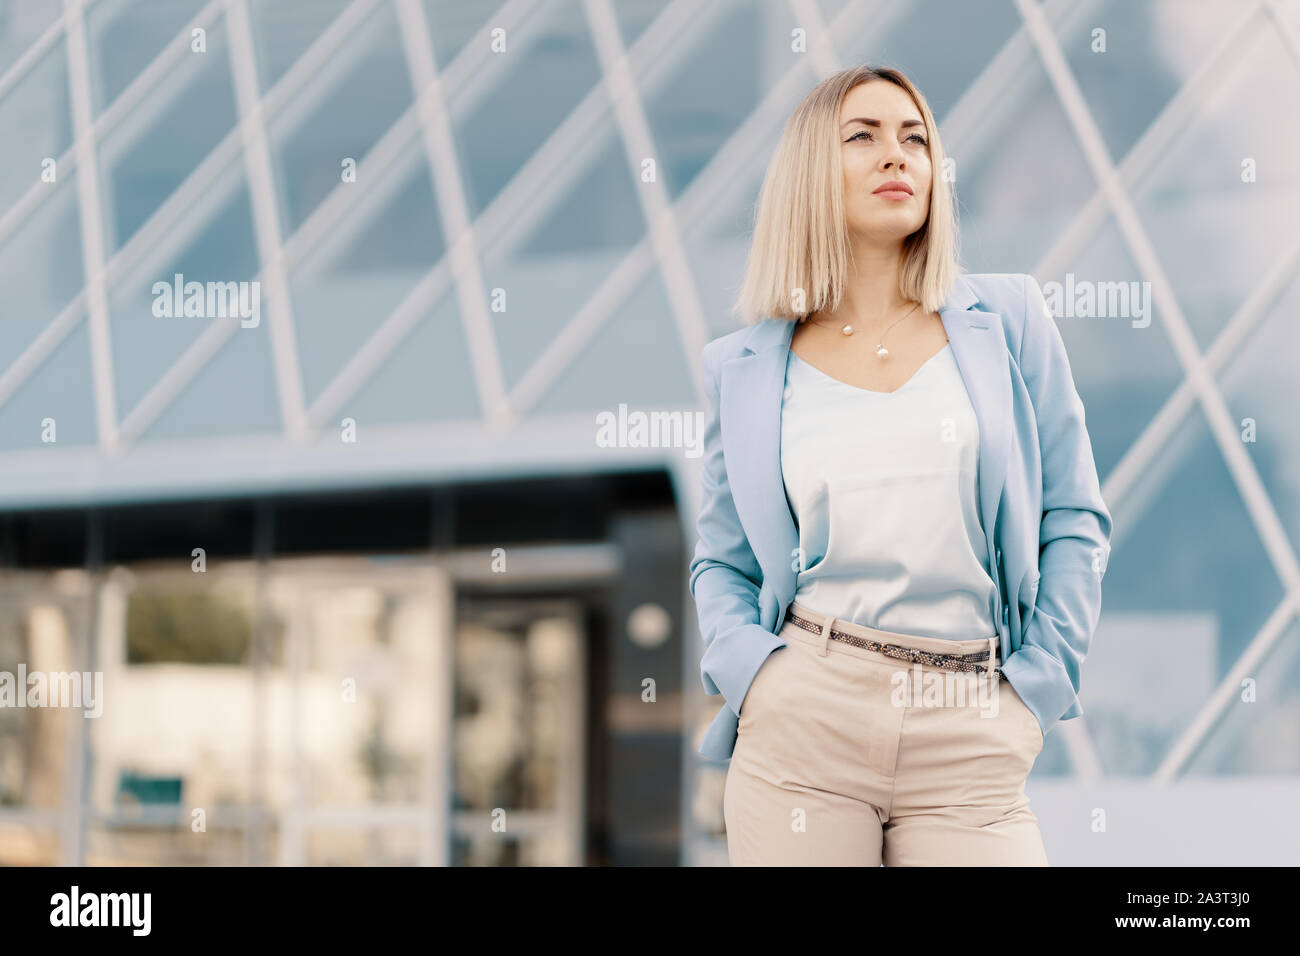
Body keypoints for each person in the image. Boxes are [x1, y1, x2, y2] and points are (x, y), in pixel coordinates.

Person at [688, 64, 1112, 865]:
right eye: (865, 137)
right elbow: (722, 560)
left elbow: (1074, 518)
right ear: (812, 172)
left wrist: (1035, 689)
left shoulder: (1010, 319)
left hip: (972, 718)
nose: (898, 155)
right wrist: (759, 678)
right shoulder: (741, 366)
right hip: (806, 724)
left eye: (915, 138)